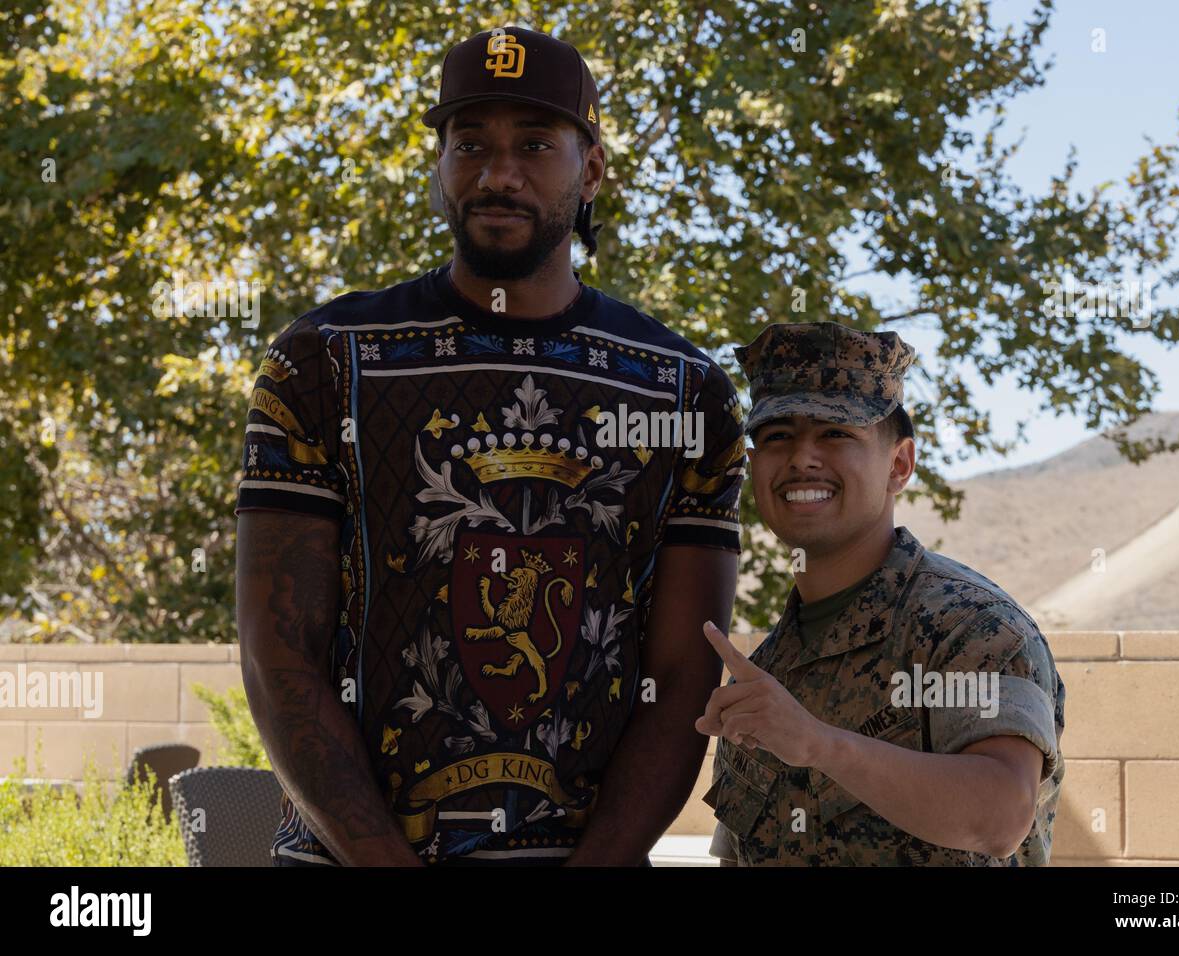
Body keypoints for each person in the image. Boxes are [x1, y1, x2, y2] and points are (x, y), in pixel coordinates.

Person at [236, 25, 745, 866]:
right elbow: (277, 652)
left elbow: (682, 681)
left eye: (535, 144)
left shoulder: (684, 393)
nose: (497, 173)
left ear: (593, 170)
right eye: (469, 143)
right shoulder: (323, 362)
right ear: (439, 165)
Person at [697, 321, 1066, 866]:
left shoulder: (970, 627)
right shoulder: (767, 668)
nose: (802, 458)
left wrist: (820, 745)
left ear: (899, 465)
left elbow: (1001, 816)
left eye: (835, 433)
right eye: (777, 436)